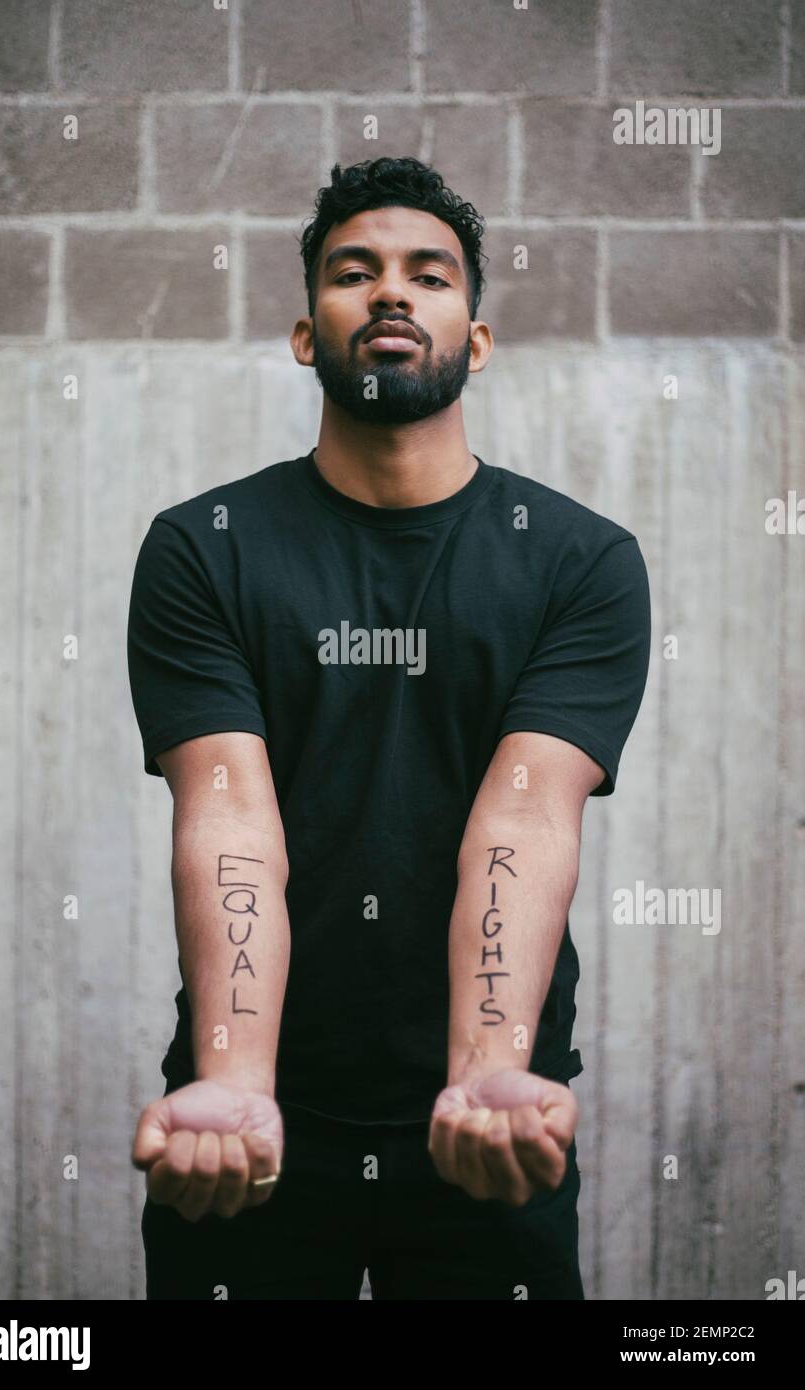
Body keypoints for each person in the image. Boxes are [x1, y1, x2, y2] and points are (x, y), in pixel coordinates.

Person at [126, 156, 651, 1300]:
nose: (391, 295)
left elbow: (523, 817)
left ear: (477, 335)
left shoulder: (577, 561)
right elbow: (228, 821)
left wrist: (482, 1079)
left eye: (429, 274)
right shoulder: (203, 546)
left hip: (491, 1119)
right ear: (306, 334)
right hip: (254, 1122)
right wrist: (234, 1081)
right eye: (352, 273)